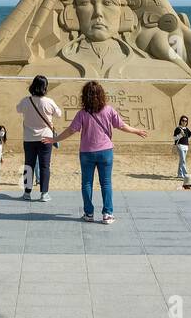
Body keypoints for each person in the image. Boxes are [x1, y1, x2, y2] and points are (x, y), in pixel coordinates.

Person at [52, 80, 148, 223]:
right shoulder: (108, 110)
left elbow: (71, 130)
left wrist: (55, 139)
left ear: (85, 96)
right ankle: (107, 214)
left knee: (87, 183)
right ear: (102, 95)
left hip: (86, 152)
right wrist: (136, 131)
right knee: (106, 183)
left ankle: (89, 214)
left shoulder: (82, 113)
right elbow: (121, 126)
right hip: (105, 151)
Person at [17, 75, 62, 201]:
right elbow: (59, 114)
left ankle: (27, 193)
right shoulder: (49, 101)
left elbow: (18, 109)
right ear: (45, 87)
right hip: (46, 138)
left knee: (29, 165)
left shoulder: (26, 101)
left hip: (29, 138)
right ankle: (44, 194)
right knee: (44, 166)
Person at [172, 115, 191, 180]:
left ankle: (179, 174)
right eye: (183, 120)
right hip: (180, 146)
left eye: (186, 121)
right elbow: (174, 138)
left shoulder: (186, 129)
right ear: (180, 121)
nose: (184, 122)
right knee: (183, 160)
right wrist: (181, 134)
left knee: (181, 160)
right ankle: (185, 175)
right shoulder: (178, 129)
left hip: (186, 146)